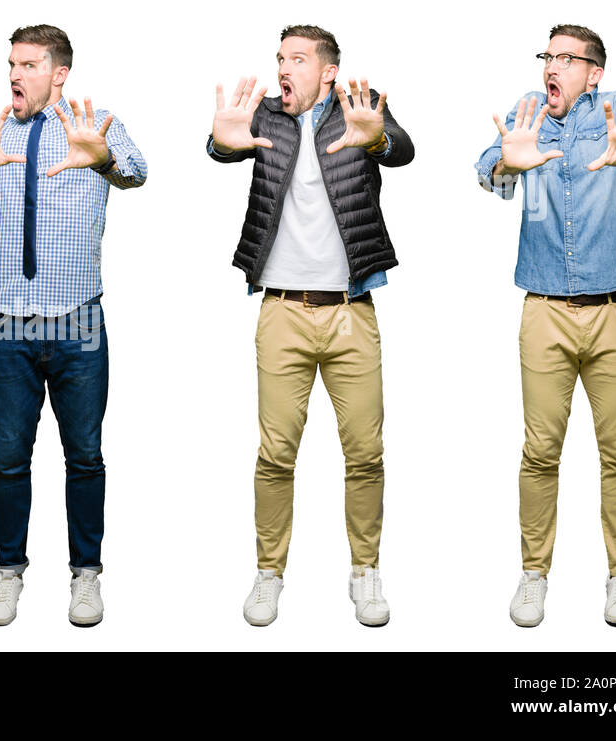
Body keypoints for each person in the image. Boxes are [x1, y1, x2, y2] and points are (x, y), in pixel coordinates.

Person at [206, 25, 413, 627]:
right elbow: (222, 143)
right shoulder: (265, 115)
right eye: (279, 58)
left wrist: (376, 141)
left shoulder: (361, 108)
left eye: (297, 58)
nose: (282, 68)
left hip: (351, 310)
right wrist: (220, 146)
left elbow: (400, 148)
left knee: (366, 453)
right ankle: (269, 573)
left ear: (327, 70)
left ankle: (364, 570)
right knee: (275, 454)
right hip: (281, 312)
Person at [0, 24, 147, 627]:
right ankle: (9, 573)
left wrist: (102, 156)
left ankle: (86, 576)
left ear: (59, 74)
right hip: (7, 325)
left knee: (84, 455)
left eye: (29, 65)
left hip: (78, 324)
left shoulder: (94, 121)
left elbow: (137, 171)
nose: (14, 75)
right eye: (12, 64)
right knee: (8, 456)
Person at [474, 24, 616, 628]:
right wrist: (506, 160)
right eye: (546, 56)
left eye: (564, 58)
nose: (550, 66)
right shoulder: (528, 112)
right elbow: (489, 165)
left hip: (613, 311)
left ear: (593, 71)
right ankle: (534, 575)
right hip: (544, 312)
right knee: (539, 451)